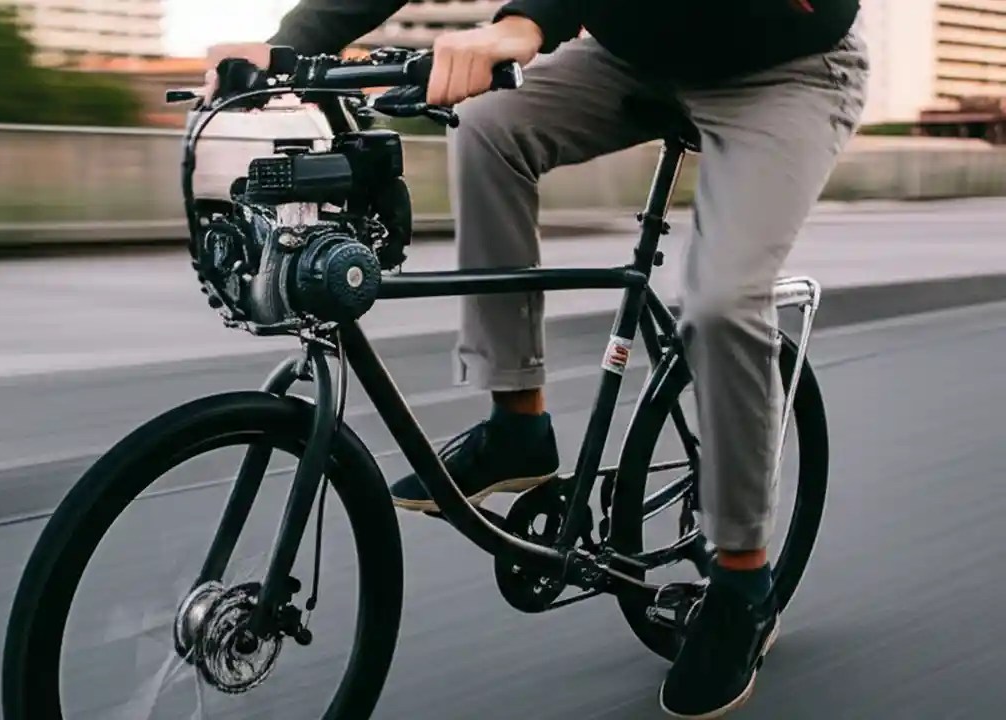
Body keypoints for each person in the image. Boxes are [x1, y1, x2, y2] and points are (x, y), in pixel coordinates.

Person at [203, 1, 868, 716]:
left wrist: (522, 24)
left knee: (722, 301)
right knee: (489, 131)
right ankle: (518, 425)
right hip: (635, 58)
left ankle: (743, 583)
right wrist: (287, 46)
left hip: (788, 68)